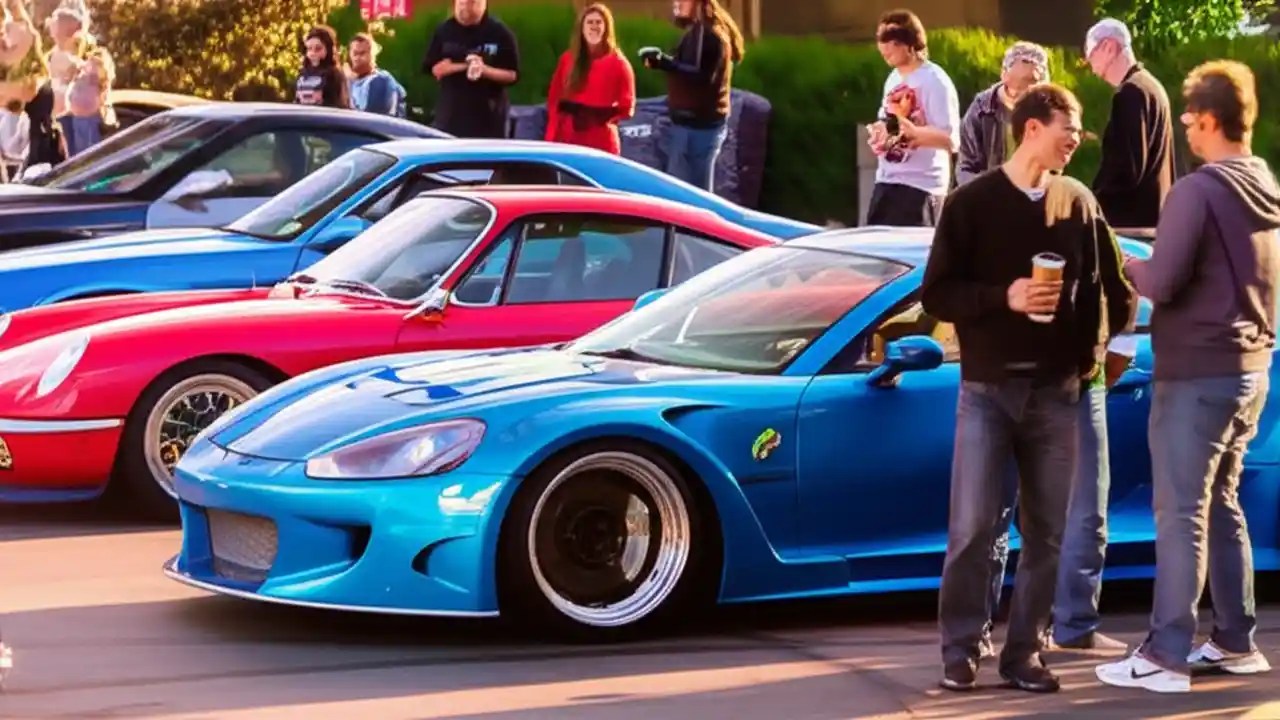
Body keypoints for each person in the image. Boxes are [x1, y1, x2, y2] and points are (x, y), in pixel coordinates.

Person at [923, 82, 1135, 694]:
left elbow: (1114, 289)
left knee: (1047, 532)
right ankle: (961, 649)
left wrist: (1094, 355)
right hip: (987, 390)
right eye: (1069, 127)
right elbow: (937, 293)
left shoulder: (1079, 201)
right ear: (1033, 126)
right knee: (973, 527)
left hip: (1056, 393)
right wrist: (1003, 297)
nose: (1076, 139)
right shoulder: (971, 203)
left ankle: (1025, 653)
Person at [1096, 60, 1280, 694]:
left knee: (1179, 514)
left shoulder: (1197, 192)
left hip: (1195, 375)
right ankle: (1235, 640)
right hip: (1249, 371)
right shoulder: (1263, 183)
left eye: (1186, 118)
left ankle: (1165, 655)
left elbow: (1163, 282)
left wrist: (1121, 260)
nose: (1184, 129)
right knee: (1222, 504)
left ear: (1205, 121)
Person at [865, 9, 959, 226]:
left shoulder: (935, 81)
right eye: (879, 39)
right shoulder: (893, 78)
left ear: (909, 42)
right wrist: (880, 132)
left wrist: (915, 133)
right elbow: (889, 121)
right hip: (887, 180)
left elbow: (951, 139)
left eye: (890, 39)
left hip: (921, 187)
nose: (883, 47)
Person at [638, 0, 743, 191]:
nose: (675, 3)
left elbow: (702, 76)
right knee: (681, 195)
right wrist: (661, 63)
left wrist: (667, 64)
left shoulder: (711, 36)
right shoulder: (696, 32)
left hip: (700, 128)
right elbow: (688, 68)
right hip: (687, 124)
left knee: (692, 198)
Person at [1083, 18, 1174, 230]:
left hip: (1131, 226)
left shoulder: (1130, 93)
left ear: (1108, 47)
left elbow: (1126, 169)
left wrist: (1091, 205)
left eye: (1090, 55)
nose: (1091, 66)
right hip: (1154, 219)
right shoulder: (1151, 87)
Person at [545, 2, 635, 155]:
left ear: (606, 28)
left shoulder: (619, 63)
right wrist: (552, 137)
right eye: (590, 22)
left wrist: (597, 115)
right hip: (568, 141)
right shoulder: (568, 59)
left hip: (601, 143)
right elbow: (554, 99)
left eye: (598, 22)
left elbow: (627, 107)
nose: (594, 26)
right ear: (582, 28)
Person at [422, 0, 520, 138]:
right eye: (460, 4)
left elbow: (512, 75)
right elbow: (435, 68)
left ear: (483, 4)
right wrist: (466, 66)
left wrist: (484, 70)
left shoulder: (499, 33)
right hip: (451, 117)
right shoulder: (444, 31)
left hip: (489, 119)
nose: (464, 9)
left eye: (470, 3)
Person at [956, 41, 1048, 186]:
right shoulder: (982, 109)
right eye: (1016, 86)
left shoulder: (1047, 109)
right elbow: (966, 166)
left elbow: (1054, 164)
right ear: (1004, 75)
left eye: (1030, 85)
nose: (1021, 93)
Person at [347, 33, 406, 117]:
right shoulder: (349, 80)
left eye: (362, 53)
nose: (357, 58)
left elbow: (372, 117)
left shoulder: (381, 81)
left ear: (372, 55)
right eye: (355, 53)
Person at [295, 25, 350, 109]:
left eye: (318, 49)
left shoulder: (333, 74)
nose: (313, 53)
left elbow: (339, 104)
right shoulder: (302, 74)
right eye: (309, 49)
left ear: (328, 49)